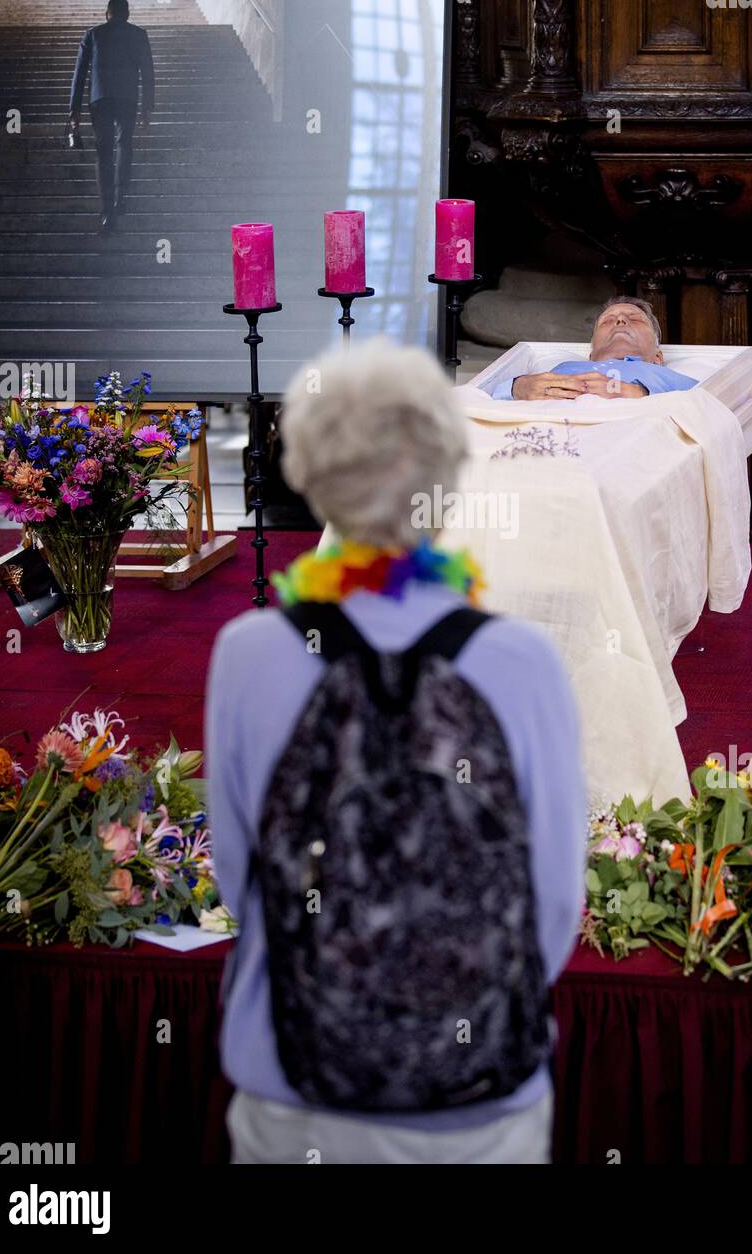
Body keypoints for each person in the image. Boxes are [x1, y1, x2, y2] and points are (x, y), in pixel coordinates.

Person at [205, 337, 586, 1164]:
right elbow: (554, 902)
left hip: (293, 1084)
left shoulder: (246, 651)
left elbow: (246, 882)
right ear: (451, 473)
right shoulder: (522, 661)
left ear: (307, 469)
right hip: (480, 1099)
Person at [486, 295, 697, 401]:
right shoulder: (567, 368)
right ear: (591, 355)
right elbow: (488, 396)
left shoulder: (664, 376)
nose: (621, 320)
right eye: (607, 321)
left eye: (635, 319)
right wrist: (518, 387)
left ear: (658, 357)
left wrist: (638, 394)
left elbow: (711, 404)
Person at [68, 0, 155, 235]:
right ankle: (121, 198)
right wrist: (147, 106)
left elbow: (79, 74)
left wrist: (73, 110)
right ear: (127, 14)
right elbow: (148, 71)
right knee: (124, 144)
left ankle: (107, 212)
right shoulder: (139, 34)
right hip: (127, 99)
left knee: (103, 152)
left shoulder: (93, 34)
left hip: (101, 99)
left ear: (107, 13)